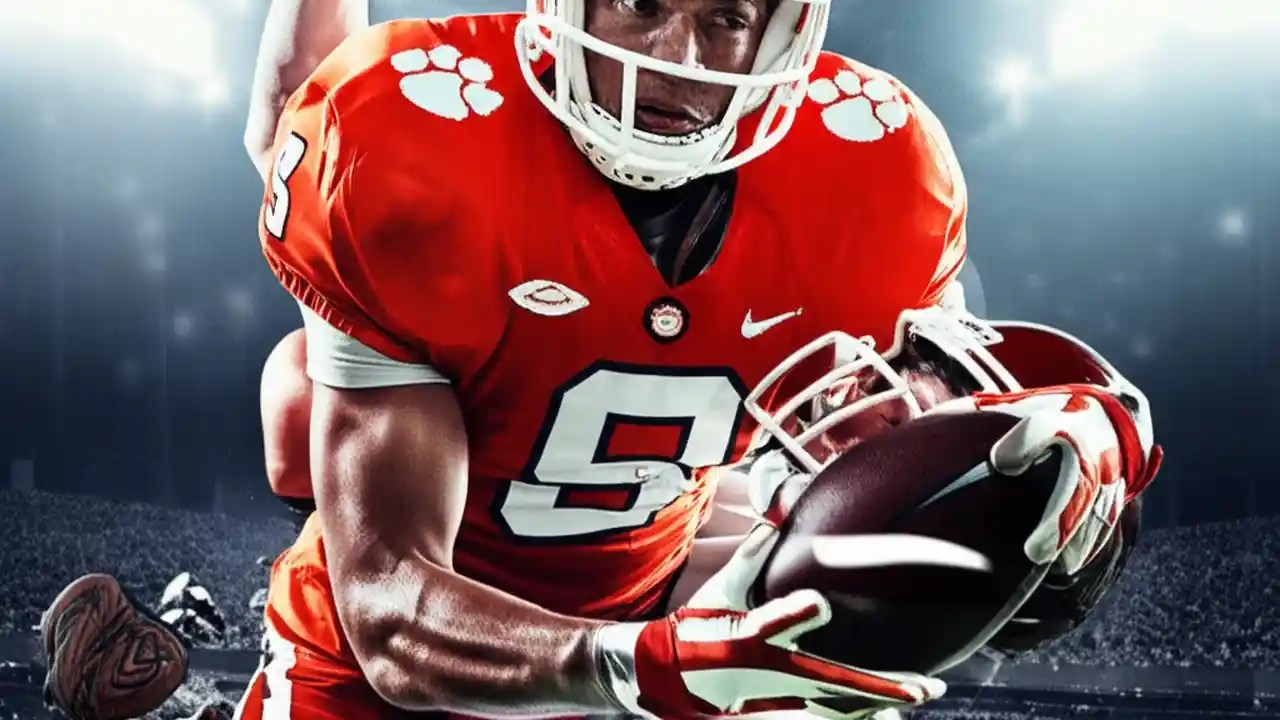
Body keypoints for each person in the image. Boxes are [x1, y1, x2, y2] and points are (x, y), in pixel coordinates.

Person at [234, 1, 1157, 718]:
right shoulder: (410, 144)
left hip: (659, 630)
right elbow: (389, 615)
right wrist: (631, 669)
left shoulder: (871, 176)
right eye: (640, 3)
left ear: (784, 34)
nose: (673, 58)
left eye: (725, 19)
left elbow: (962, 410)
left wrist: (1092, 451)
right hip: (371, 678)